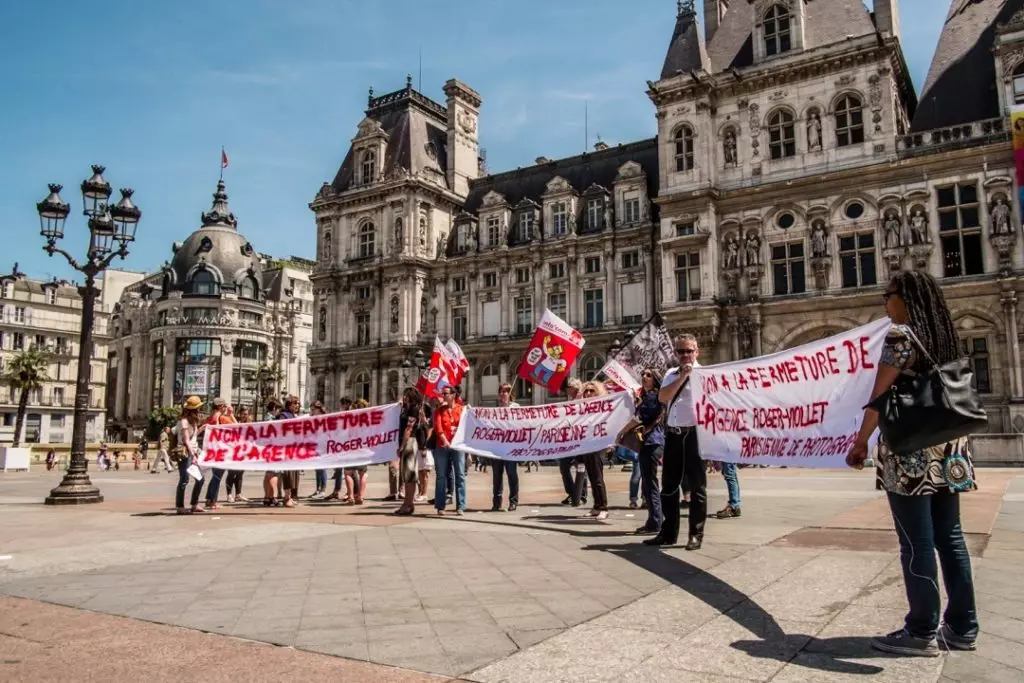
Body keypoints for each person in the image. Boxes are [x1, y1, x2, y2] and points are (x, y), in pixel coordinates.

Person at [847, 270, 979, 656]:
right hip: (951, 448)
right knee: (950, 538)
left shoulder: (901, 337)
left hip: (912, 452)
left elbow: (879, 394)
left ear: (905, 298)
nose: (884, 304)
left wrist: (860, 442)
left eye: (887, 296)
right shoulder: (945, 334)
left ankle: (921, 629)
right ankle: (962, 627)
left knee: (916, 541)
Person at [646, 333, 706, 550]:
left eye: (689, 351)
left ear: (697, 352)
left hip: (695, 435)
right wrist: (682, 377)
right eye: (681, 351)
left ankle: (695, 534)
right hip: (673, 433)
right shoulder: (672, 373)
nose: (685, 355)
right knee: (669, 486)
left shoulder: (705, 373)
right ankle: (668, 532)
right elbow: (663, 397)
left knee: (697, 487)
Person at [620, 369, 664, 535]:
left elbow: (639, 419)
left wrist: (621, 431)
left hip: (652, 442)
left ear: (656, 380)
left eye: (649, 375)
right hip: (652, 442)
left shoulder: (653, 396)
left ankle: (655, 522)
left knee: (649, 484)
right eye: (643, 374)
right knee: (648, 483)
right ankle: (654, 520)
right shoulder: (649, 397)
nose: (644, 377)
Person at [395, 388, 431, 515]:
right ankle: (407, 502)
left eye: (405, 395)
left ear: (411, 396)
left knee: (409, 474)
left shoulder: (414, 409)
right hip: (408, 442)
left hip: (410, 442)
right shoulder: (408, 408)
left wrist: (402, 445)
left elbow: (409, 428)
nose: (403, 397)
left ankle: (408, 504)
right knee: (407, 474)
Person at [432, 385, 466, 515]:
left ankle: (461, 506)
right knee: (441, 476)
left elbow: (464, 427)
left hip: (458, 446)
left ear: (453, 395)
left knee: (460, 475)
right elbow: (438, 427)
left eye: (445, 393)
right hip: (442, 445)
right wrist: (445, 441)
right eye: (443, 393)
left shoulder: (462, 410)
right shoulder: (439, 411)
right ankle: (440, 506)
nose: (443, 395)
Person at [491, 382, 520, 512]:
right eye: (501, 391)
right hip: (497, 447)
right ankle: (497, 502)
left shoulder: (516, 408)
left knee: (512, 474)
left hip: (511, 447)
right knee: (497, 475)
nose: (503, 394)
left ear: (510, 394)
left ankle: (513, 501)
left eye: (506, 391)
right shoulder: (494, 409)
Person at [202, 397, 235, 510]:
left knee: (215, 476)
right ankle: (213, 501)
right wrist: (231, 415)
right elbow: (237, 427)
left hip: (212, 450)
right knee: (217, 477)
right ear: (221, 407)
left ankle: (209, 498)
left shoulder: (210, 418)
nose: (226, 408)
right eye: (224, 406)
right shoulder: (221, 418)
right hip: (220, 451)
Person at [559, 379, 588, 506]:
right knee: (564, 467)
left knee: (581, 468)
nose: (566, 390)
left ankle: (581, 495)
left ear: (575, 388)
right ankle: (572, 493)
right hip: (569, 441)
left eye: (568, 387)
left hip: (581, 440)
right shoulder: (570, 402)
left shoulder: (584, 399)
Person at [175, 396, 205, 515]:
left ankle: (194, 504)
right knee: (184, 480)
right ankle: (180, 506)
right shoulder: (184, 421)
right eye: (198, 408)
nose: (199, 410)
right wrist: (193, 456)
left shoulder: (193, 421)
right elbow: (186, 440)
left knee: (200, 479)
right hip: (186, 454)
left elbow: (193, 436)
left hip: (193, 452)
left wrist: (201, 429)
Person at [345, 398, 371, 504]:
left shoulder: (350, 417)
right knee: (363, 473)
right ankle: (361, 496)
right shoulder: (369, 419)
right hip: (363, 448)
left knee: (348, 473)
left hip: (351, 447)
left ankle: (351, 496)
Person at [225, 406, 252, 503]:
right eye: (243, 414)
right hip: (233, 451)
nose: (245, 416)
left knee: (240, 474)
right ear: (239, 414)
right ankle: (229, 494)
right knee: (231, 473)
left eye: (246, 414)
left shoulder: (249, 424)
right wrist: (231, 415)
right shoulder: (233, 422)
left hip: (243, 452)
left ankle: (238, 494)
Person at [309, 401, 329, 498]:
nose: (312, 411)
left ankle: (323, 489)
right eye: (311, 410)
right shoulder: (312, 418)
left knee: (322, 467)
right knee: (317, 468)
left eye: (313, 409)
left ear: (319, 409)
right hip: (315, 444)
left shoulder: (324, 418)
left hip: (323, 444)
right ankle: (317, 489)